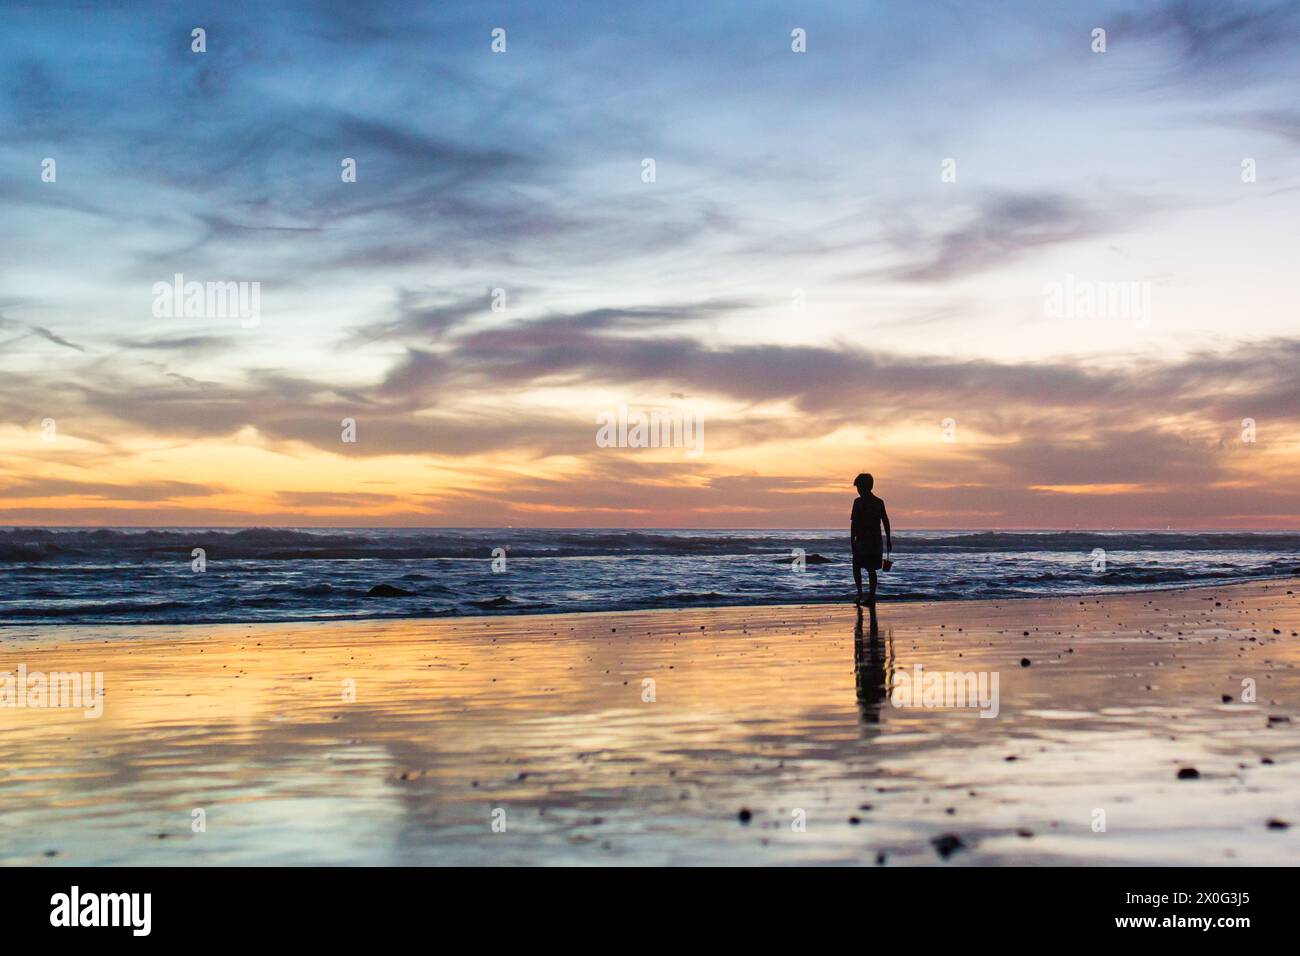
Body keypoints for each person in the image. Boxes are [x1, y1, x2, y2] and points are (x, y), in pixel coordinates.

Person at [850, 473, 891, 607]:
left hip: (863, 540)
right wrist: (888, 539)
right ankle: (870, 596)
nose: (858, 490)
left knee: (857, 567)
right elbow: (885, 521)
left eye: (858, 487)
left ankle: (861, 594)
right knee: (871, 569)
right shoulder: (879, 502)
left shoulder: (858, 502)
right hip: (875, 541)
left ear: (863, 486)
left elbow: (854, 524)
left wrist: (852, 540)